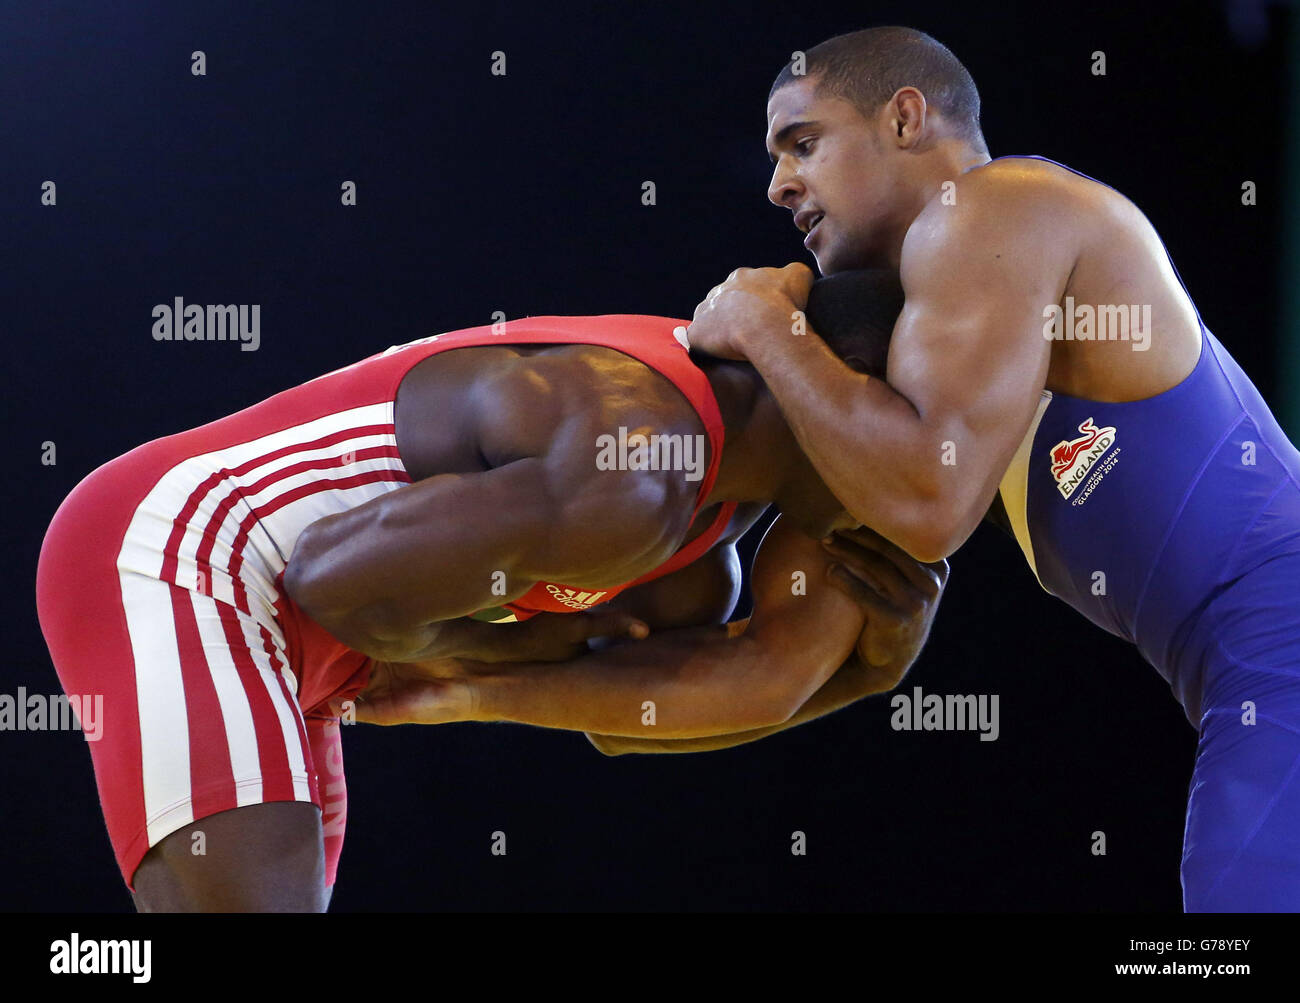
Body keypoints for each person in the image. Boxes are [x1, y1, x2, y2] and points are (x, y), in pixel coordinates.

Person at [36, 270, 945, 911]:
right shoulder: (631, 459)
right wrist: (474, 665)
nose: (935, 503)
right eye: (924, 450)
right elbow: (335, 585)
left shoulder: (702, 549)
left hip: (302, 643)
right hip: (189, 551)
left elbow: (633, 722)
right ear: (843, 397)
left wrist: (860, 681)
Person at [683, 25, 1300, 912]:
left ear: (904, 119)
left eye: (804, 144)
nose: (779, 186)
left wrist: (762, 327)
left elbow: (930, 504)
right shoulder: (935, 355)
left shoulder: (994, 208)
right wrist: (479, 684)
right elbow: (772, 678)